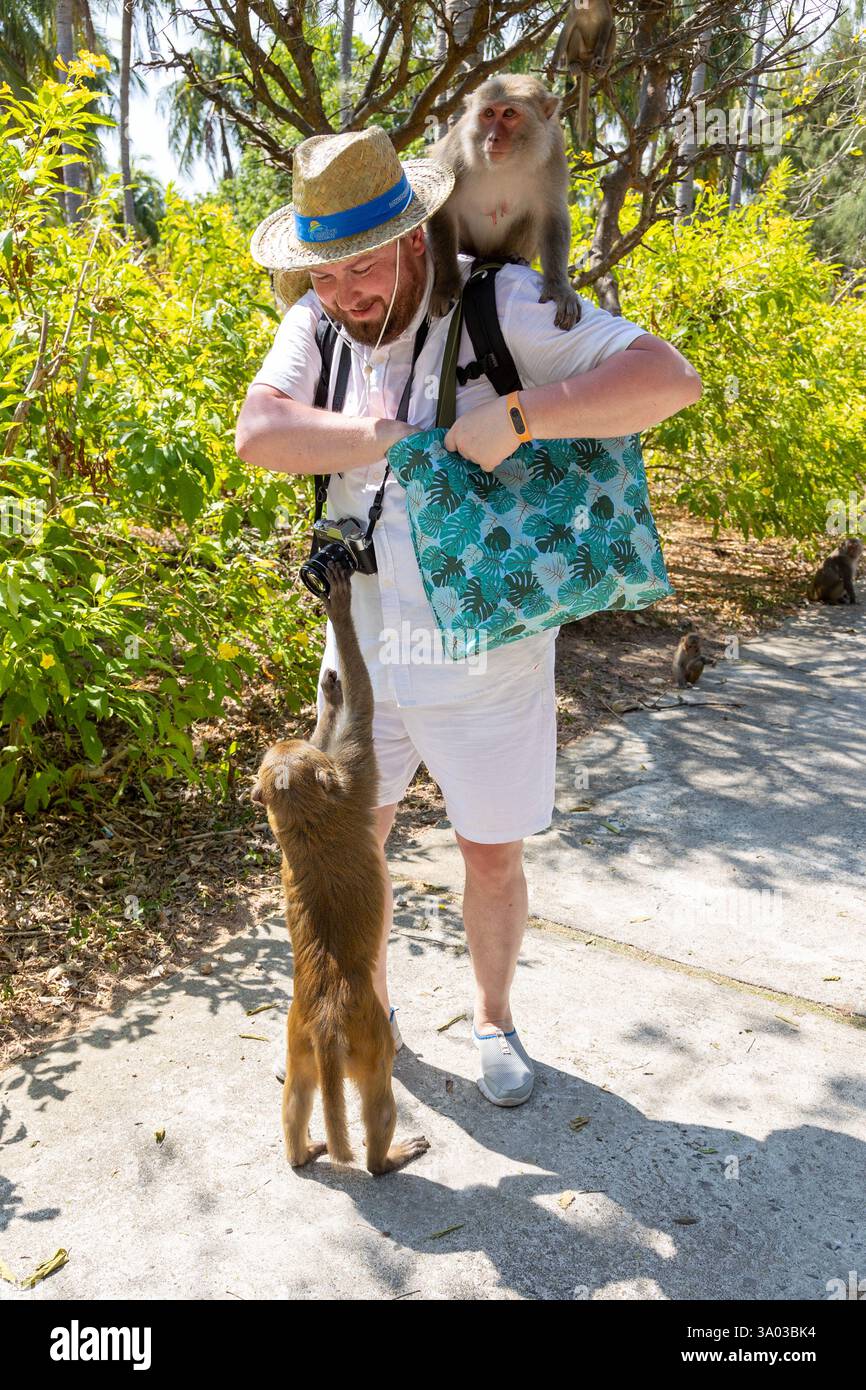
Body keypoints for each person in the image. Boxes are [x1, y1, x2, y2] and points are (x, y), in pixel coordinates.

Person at [235, 126, 702, 1107]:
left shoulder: (504, 305)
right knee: (346, 849)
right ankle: (372, 1015)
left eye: (358, 268)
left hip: (487, 653)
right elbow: (260, 432)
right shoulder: (319, 327)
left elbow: (666, 378)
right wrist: (377, 435)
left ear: (411, 239)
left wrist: (524, 415)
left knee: (489, 850)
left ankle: (492, 1020)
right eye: (319, 274)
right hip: (358, 649)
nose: (341, 293)